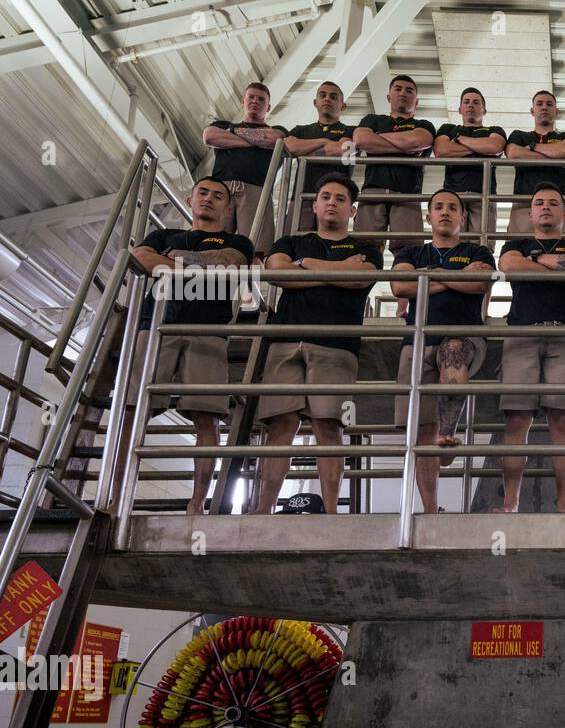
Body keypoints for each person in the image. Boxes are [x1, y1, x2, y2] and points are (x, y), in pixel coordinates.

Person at [251, 172, 383, 514]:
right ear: (315, 204)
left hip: (336, 345)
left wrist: (306, 269)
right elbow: (278, 274)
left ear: (352, 210)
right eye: (326, 196)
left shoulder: (365, 249)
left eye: (340, 199)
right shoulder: (292, 242)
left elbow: (360, 280)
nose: (332, 203)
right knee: (281, 425)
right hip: (286, 341)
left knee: (328, 426)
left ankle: (330, 515)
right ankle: (263, 509)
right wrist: (334, 270)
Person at [124, 177, 254, 514]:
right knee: (133, 411)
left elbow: (229, 266)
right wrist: (201, 265)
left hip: (208, 331)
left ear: (229, 207)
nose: (209, 199)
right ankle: (116, 494)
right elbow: (141, 258)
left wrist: (171, 263)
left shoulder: (239, 241)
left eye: (218, 196)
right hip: (155, 327)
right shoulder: (163, 235)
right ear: (190, 199)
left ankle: (197, 501)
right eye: (203, 193)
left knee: (206, 417)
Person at [389, 190, 495, 513]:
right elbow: (400, 287)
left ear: (463, 218)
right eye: (438, 207)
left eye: (453, 208)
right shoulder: (410, 252)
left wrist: (428, 279)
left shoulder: (479, 250)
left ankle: (449, 432)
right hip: (417, 340)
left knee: (454, 348)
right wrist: (455, 278)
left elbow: (480, 283)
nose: (445, 212)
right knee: (421, 434)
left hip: (463, 335)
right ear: (428, 216)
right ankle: (431, 509)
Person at [495, 183, 565, 512]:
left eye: (553, 203)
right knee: (516, 422)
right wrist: (554, 265)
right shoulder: (515, 245)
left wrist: (535, 262)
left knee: (562, 423)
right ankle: (511, 504)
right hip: (522, 333)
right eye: (539, 203)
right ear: (530, 213)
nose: (546, 207)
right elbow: (510, 266)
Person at [201, 82, 287, 255]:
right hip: (221, 188)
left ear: (268, 107)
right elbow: (209, 137)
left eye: (261, 99)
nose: (255, 101)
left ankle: (252, 283)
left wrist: (231, 134)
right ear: (243, 101)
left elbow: (274, 140)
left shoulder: (276, 130)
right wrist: (256, 142)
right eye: (251, 97)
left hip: (256, 190)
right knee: (210, 243)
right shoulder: (222, 124)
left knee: (256, 249)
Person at [352, 75, 436, 252]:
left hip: (407, 193)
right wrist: (404, 146)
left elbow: (416, 142)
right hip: (372, 190)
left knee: (409, 252)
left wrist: (378, 138)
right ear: (389, 97)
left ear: (417, 100)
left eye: (409, 90)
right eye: (397, 89)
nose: (403, 93)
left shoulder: (423, 124)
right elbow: (361, 140)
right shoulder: (372, 119)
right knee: (364, 249)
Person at [433, 87, 506, 239]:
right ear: (460, 109)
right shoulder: (449, 129)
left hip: (484, 195)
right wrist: (479, 149)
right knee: (451, 243)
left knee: (482, 245)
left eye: (476, 102)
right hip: (453, 196)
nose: (471, 105)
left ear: (484, 110)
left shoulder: (494, 130)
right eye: (466, 102)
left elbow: (495, 147)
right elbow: (441, 150)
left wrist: (460, 140)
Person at [284, 81, 354, 234]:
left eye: (333, 96)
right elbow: (289, 147)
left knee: (330, 247)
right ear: (315, 102)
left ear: (342, 105)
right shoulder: (301, 130)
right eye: (323, 95)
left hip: (336, 199)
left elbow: (343, 150)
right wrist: (323, 141)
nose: (327, 99)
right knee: (295, 245)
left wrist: (305, 151)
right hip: (303, 197)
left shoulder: (351, 130)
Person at [505, 91, 565, 233]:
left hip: (556, 204)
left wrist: (532, 147)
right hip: (523, 204)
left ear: (556, 111)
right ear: (532, 111)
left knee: (558, 252)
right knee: (518, 251)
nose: (544, 107)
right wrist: (554, 156)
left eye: (549, 104)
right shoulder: (519, 135)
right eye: (540, 104)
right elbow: (513, 153)